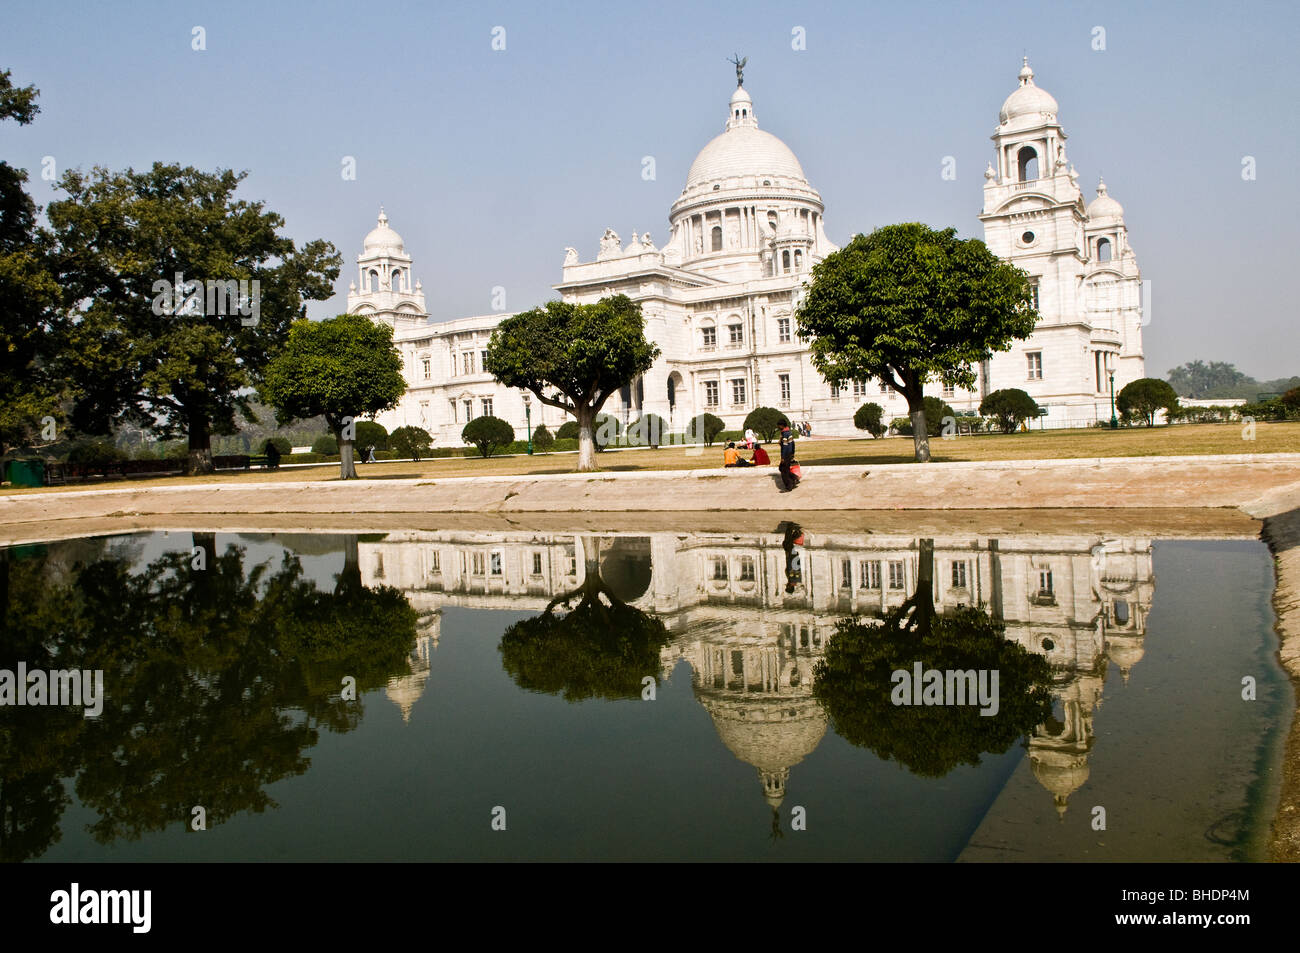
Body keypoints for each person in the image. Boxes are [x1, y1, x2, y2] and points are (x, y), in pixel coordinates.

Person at [778, 420, 799, 491]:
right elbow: (792, 443)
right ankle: (794, 478)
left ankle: (789, 485)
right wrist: (792, 453)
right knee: (782, 468)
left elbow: (785, 446)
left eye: (779, 425)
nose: (778, 427)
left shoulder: (785, 434)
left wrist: (783, 457)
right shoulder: (788, 432)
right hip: (789, 453)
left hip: (786, 454)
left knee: (784, 470)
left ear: (782, 425)